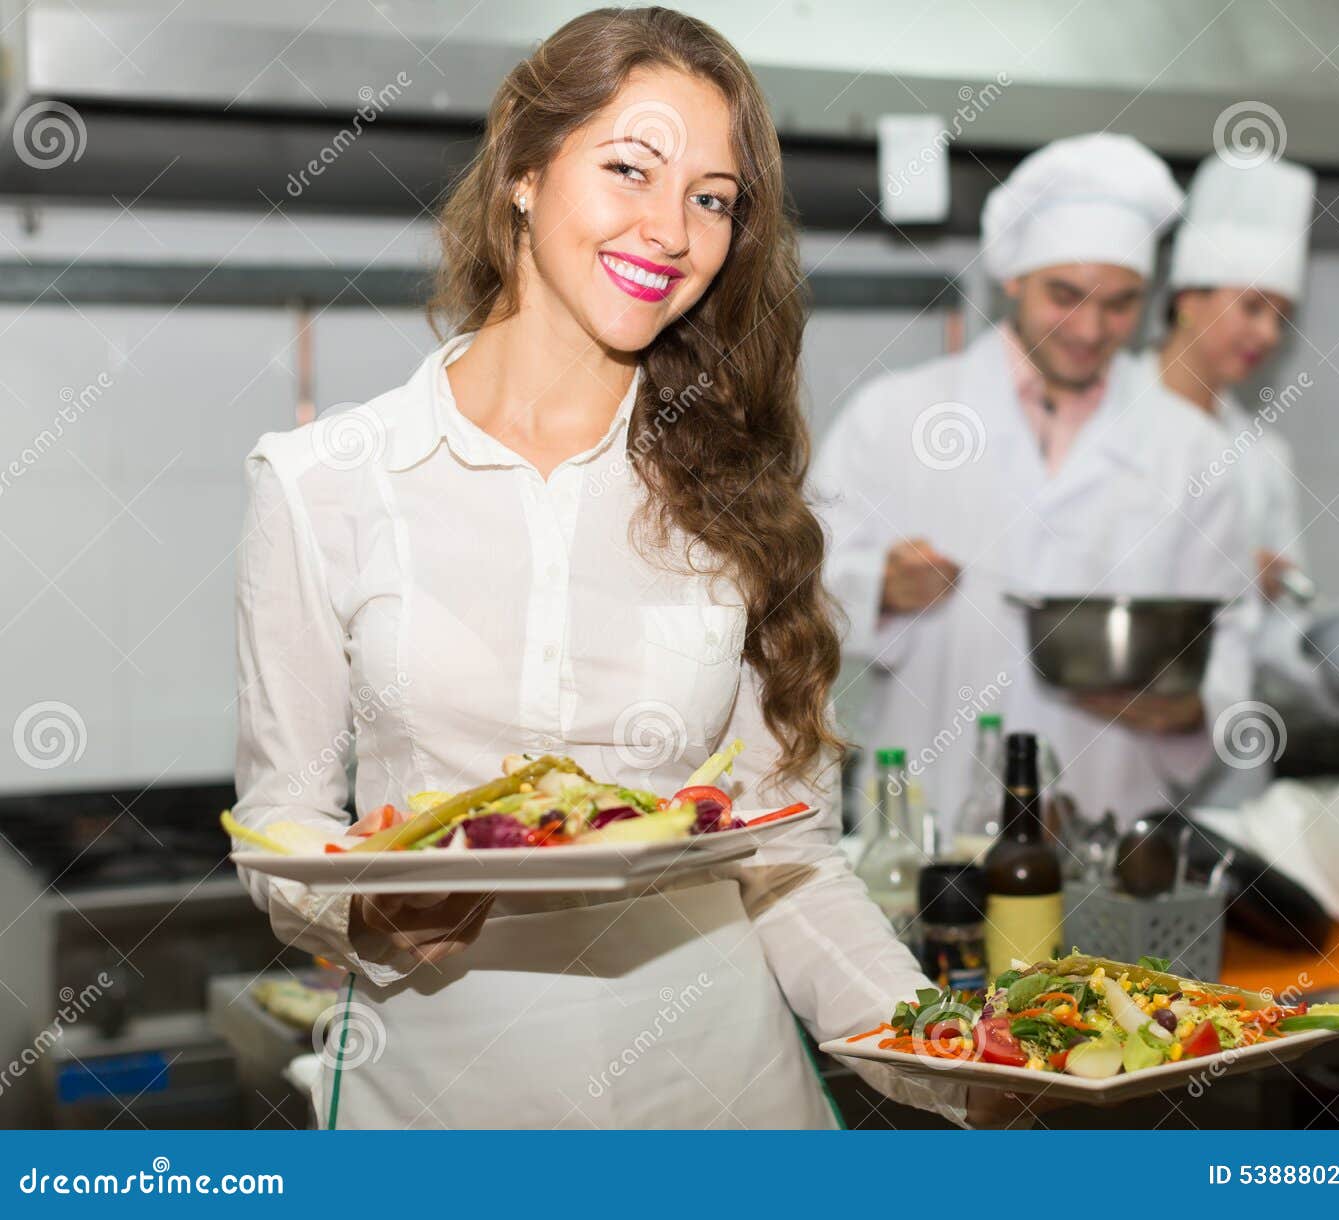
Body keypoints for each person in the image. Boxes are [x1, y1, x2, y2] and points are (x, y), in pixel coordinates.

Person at [229, 8, 985, 1130]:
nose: (671, 230)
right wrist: (373, 914)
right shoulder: (323, 481)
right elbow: (282, 823)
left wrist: (945, 1059)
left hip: (726, 1108)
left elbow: (788, 860)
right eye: (629, 168)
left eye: (712, 198)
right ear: (524, 172)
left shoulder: (739, 499)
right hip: (438, 1111)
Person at [813, 134, 1252, 832]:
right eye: (1066, 296)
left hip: (1111, 824)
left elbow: (1229, 636)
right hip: (929, 816)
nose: (1090, 328)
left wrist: (1189, 710)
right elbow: (794, 590)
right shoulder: (895, 415)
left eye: (1120, 303)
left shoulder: (1191, 449)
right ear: (1013, 278)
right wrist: (881, 589)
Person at [1148, 154, 1318, 603]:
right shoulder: (1102, 414)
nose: (1268, 334)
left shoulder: (1264, 460)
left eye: (1282, 318)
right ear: (1188, 299)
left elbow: (1285, 630)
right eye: (1253, 307)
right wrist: (1232, 572)